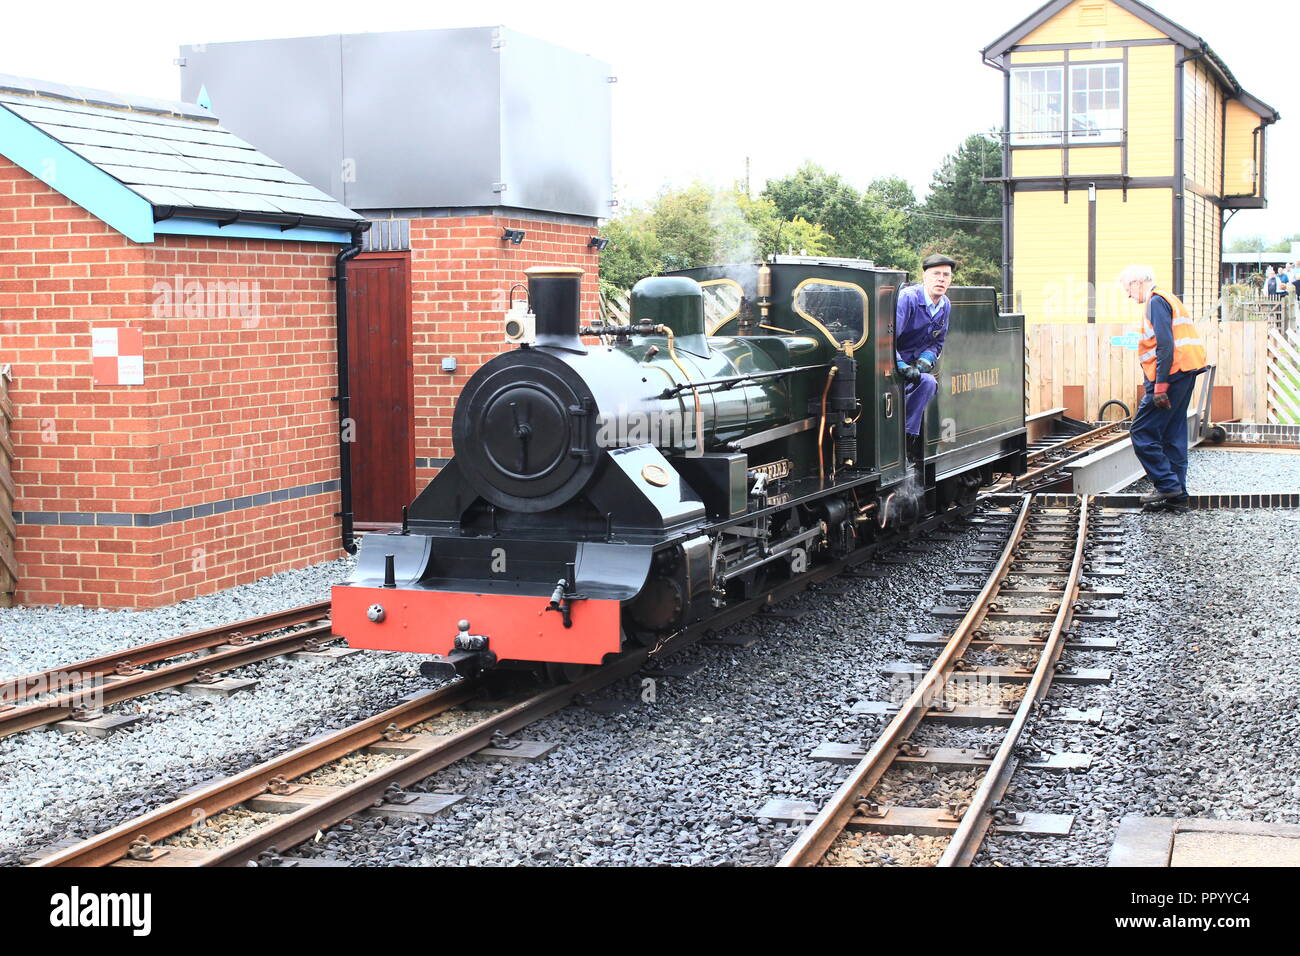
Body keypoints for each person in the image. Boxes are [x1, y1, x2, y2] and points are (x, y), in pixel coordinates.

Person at [1118, 265, 1208, 509]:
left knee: (1141, 432)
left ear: (1137, 282)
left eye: (1128, 289)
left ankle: (1168, 486)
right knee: (1173, 432)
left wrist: (1159, 387)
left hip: (1171, 376)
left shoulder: (1156, 302)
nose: (1128, 295)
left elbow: (1165, 345)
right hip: (1184, 372)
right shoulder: (1169, 298)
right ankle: (1178, 497)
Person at [895, 254, 955, 462]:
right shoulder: (908, 299)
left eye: (945, 275)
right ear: (925, 276)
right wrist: (900, 364)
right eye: (936, 274)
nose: (941, 279)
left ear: (950, 280)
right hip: (890, 361)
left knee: (929, 382)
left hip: (915, 365)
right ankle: (902, 436)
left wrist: (927, 359)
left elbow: (938, 342)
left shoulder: (945, 305)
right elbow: (886, 339)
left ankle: (909, 437)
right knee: (927, 382)